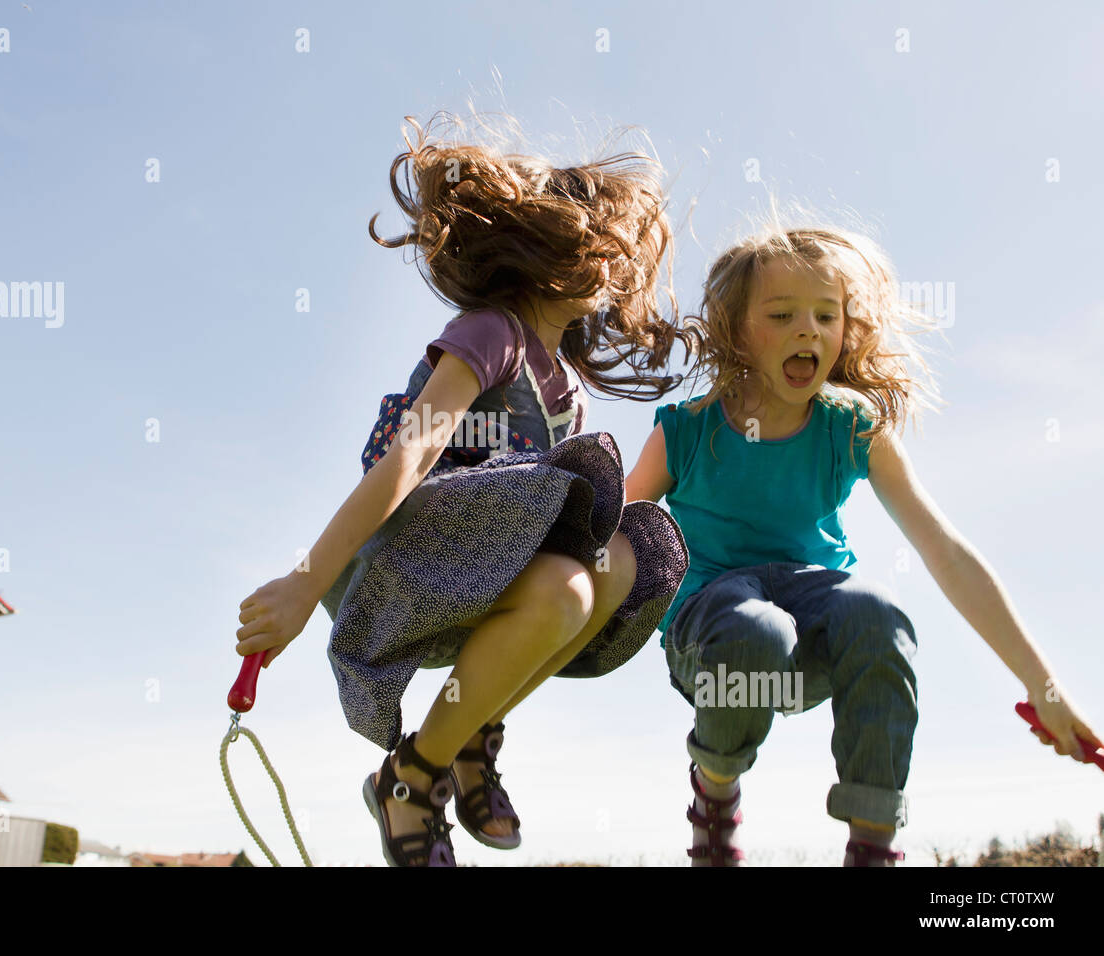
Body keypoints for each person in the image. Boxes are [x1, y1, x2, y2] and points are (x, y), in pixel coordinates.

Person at [235, 113, 690, 866]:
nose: (618, 270)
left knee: (611, 570)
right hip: (420, 565)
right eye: (604, 246)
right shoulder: (492, 334)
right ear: (558, 248)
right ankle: (421, 774)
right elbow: (406, 462)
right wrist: (302, 582)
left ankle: (456, 739)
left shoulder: (568, 389)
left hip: (496, 582)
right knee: (583, 512)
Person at [623, 225, 1101, 866]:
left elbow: (946, 551)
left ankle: (872, 845)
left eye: (827, 315)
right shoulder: (686, 430)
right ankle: (714, 793)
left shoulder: (851, 426)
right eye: (783, 315)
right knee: (753, 627)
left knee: (876, 606)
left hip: (819, 633)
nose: (808, 332)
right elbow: (611, 537)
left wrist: (1043, 686)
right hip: (715, 638)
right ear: (739, 331)